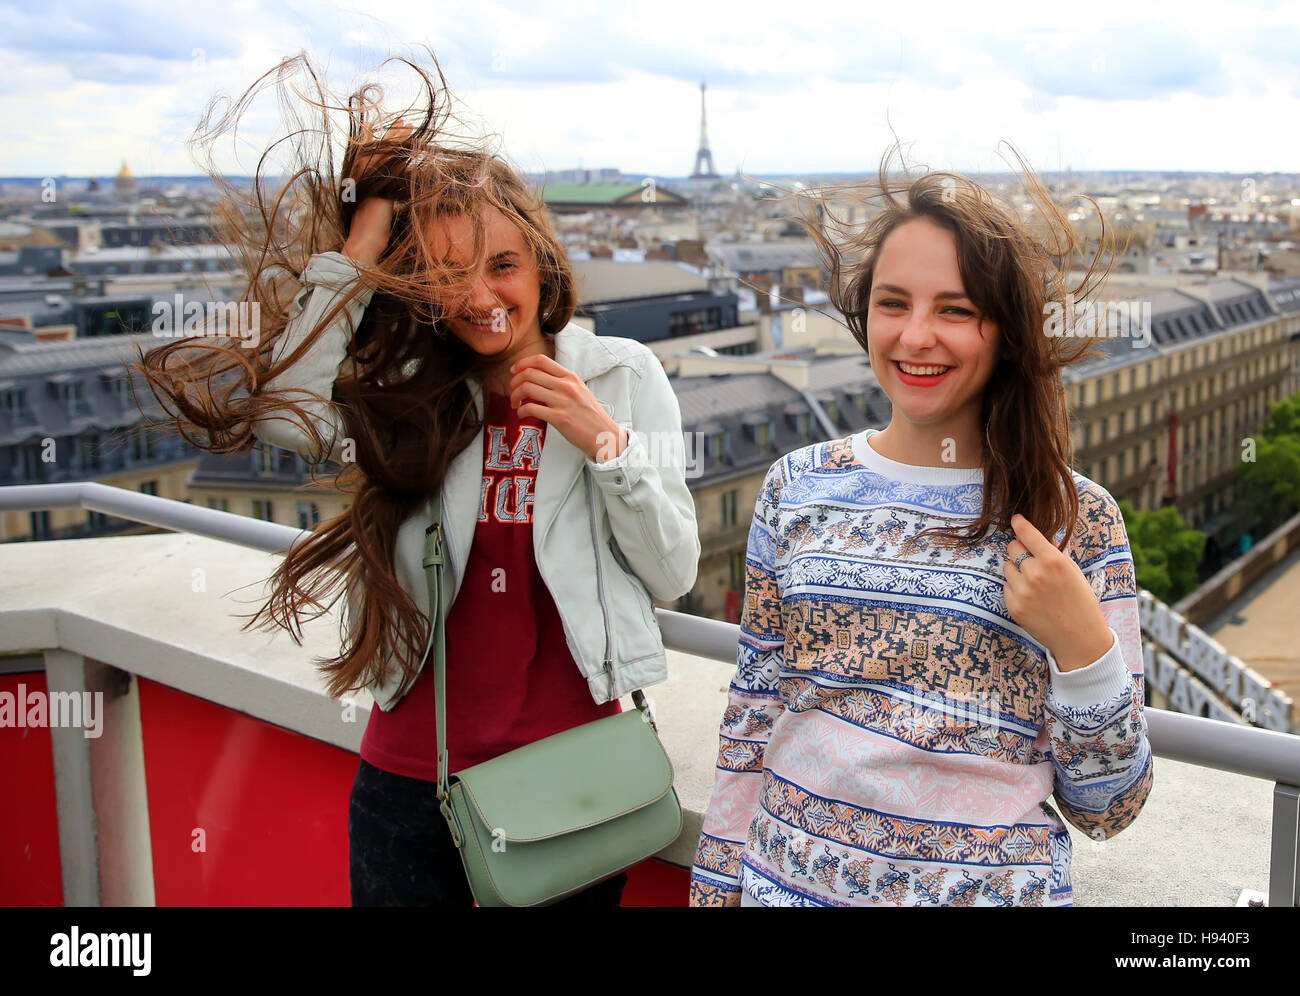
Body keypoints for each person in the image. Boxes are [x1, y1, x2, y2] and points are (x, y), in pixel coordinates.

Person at [138, 53, 699, 907]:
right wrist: (362, 245)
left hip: (570, 769)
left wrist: (606, 446)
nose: (478, 297)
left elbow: (674, 572)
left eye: (501, 265)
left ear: (542, 261)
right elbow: (288, 416)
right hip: (412, 775)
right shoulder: (415, 389)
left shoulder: (619, 377)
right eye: (443, 275)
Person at [688, 148, 1153, 907]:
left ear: (1005, 331)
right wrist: (715, 890)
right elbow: (754, 715)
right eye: (893, 303)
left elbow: (1110, 808)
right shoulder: (795, 489)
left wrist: (1083, 650)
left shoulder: (1075, 519)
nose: (915, 336)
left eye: (956, 310)